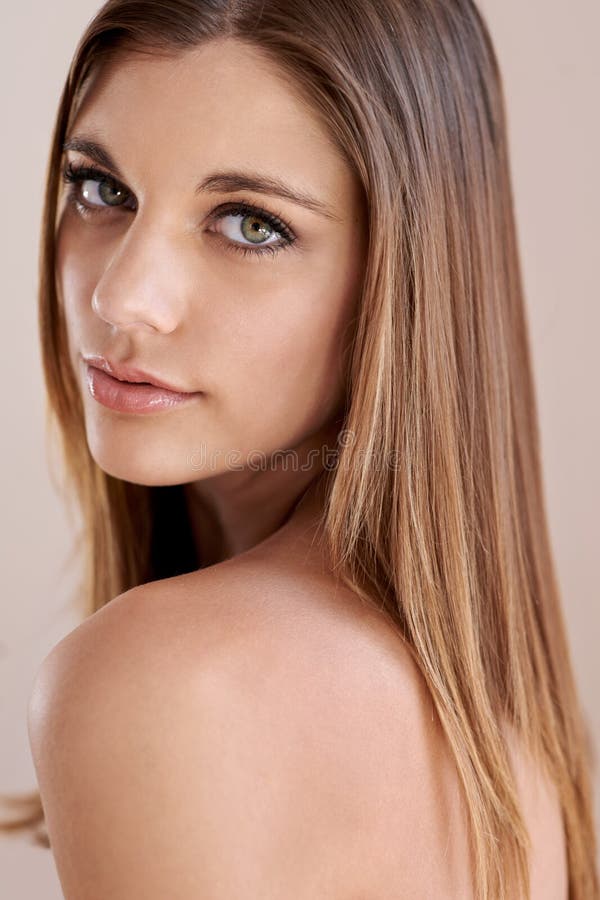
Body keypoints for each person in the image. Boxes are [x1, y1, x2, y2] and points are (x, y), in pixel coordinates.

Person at [1, 1, 598, 897]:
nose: (123, 298)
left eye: (250, 223)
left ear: (401, 282)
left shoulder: (170, 684)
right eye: (102, 188)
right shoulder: (513, 751)